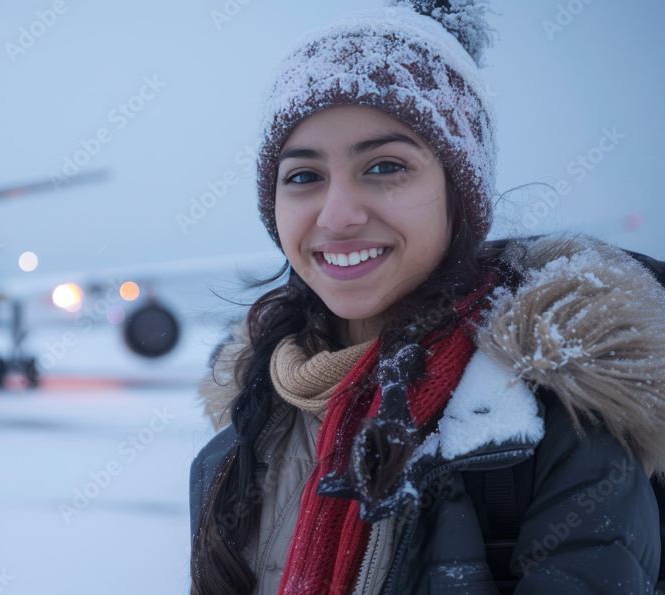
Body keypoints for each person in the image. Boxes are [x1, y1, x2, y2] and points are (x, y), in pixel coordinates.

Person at [188, 1, 665, 593]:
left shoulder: (551, 428)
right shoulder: (237, 447)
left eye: (385, 166)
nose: (337, 215)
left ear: (460, 196)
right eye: (304, 176)